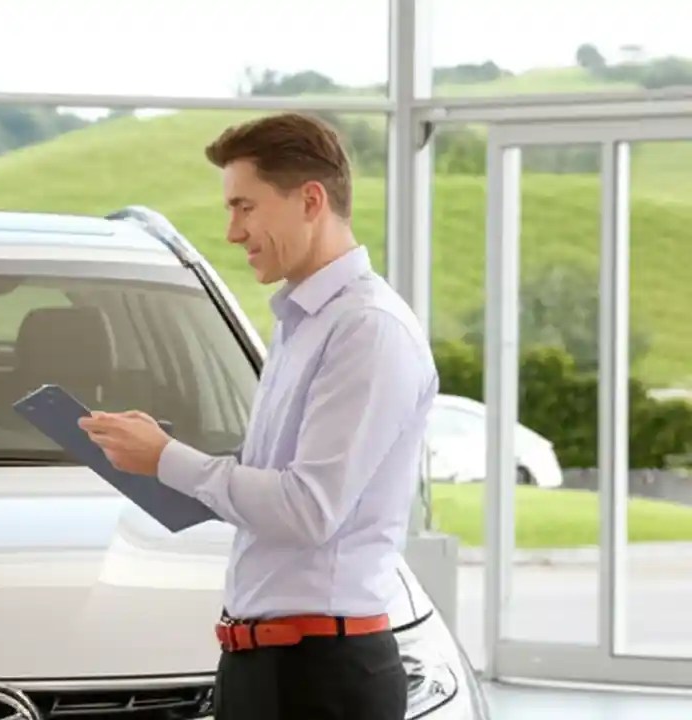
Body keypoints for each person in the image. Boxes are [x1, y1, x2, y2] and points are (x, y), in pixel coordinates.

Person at [77, 112, 438, 719]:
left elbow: (307, 507)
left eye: (245, 207)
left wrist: (170, 459)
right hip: (264, 669)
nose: (232, 232)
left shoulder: (367, 330)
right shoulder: (302, 324)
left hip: (320, 679)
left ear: (310, 201)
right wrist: (158, 466)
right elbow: (269, 487)